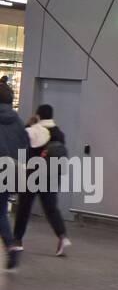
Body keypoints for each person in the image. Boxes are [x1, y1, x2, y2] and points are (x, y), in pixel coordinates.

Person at [12, 104, 71, 256]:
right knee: (51, 208)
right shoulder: (59, 133)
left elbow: (20, 136)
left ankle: (17, 240)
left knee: (24, 206)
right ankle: (62, 236)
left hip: (33, 173)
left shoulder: (36, 130)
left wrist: (29, 123)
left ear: (38, 115)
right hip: (52, 174)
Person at [0, 82, 31, 269]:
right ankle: (11, 246)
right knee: (1, 211)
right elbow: (25, 146)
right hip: (11, 171)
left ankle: (11, 246)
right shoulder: (18, 121)